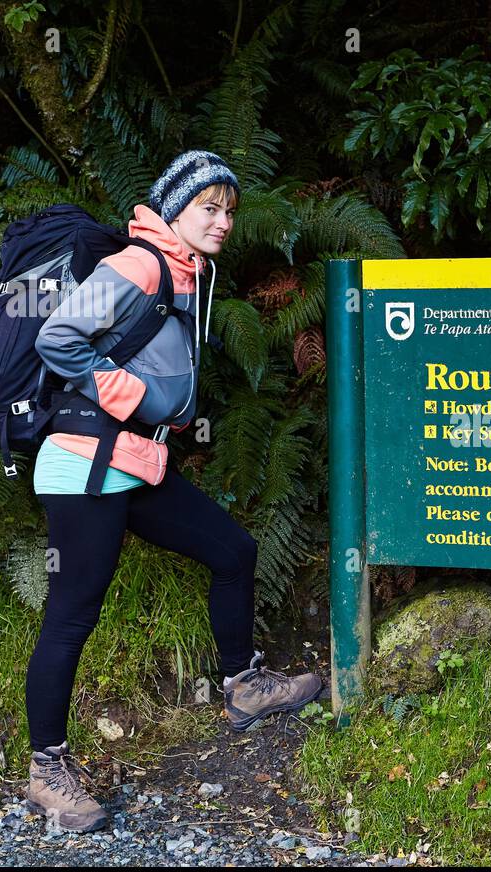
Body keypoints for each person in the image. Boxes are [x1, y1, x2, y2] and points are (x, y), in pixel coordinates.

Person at [23, 151, 322, 833]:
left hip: (137, 463)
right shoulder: (138, 265)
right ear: (173, 211)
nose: (222, 221)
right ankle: (47, 770)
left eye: (228, 211)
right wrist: (130, 396)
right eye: (208, 208)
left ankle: (244, 688)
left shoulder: (188, 274)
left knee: (233, 550)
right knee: (72, 616)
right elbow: (58, 335)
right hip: (85, 464)